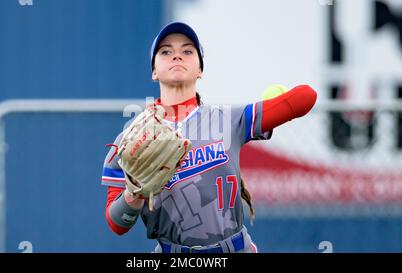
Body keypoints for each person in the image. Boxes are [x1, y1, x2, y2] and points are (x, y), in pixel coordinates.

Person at [101, 22, 317, 253]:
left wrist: (272, 106)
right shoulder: (130, 141)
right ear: (154, 71)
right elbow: (117, 224)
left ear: (200, 70)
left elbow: (306, 97)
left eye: (187, 51)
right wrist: (133, 194)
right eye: (166, 52)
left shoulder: (229, 120)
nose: (177, 56)